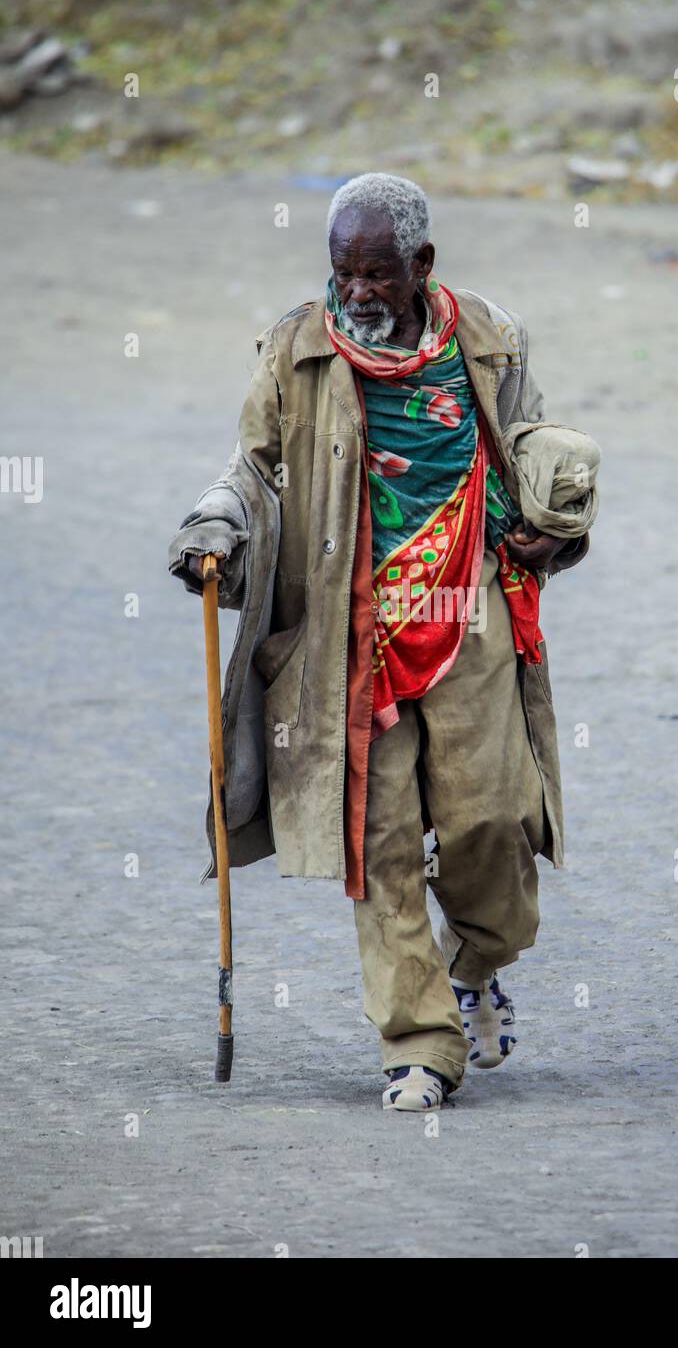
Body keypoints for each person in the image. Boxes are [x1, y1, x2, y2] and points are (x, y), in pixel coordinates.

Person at [169, 172, 600, 1111]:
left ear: (421, 266)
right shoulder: (296, 349)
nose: (356, 294)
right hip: (347, 634)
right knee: (383, 841)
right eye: (342, 273)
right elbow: (253, 466)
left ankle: (477, 965)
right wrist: (215, 525)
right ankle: (418, 1044)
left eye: (376, 275)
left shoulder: (488, 338)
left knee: (490, 821)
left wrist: (557, 524)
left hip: (469, 616)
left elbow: (527, 445)